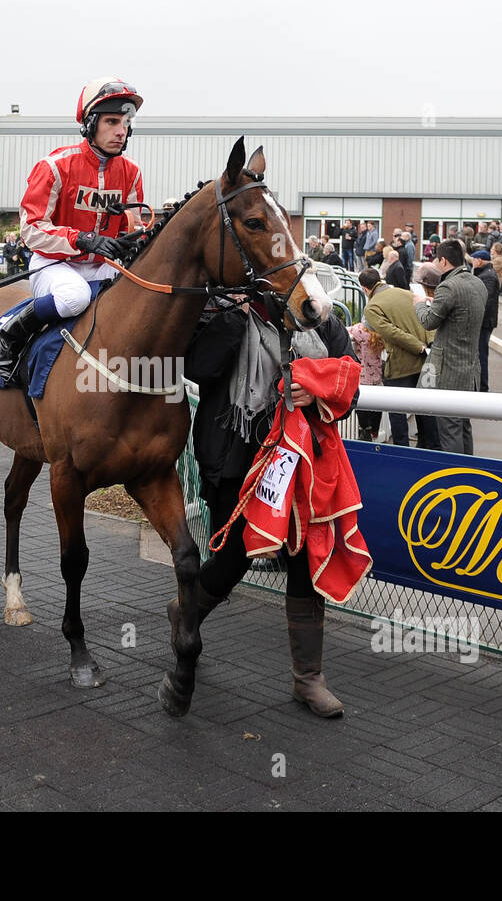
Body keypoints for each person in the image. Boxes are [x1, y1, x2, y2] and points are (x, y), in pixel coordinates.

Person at [182, 295, 358, 717]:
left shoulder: (322, 316)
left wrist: (313, 390)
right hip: (236, 458)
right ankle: (185, 613)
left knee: (305, 560)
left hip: (303, 462)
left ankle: (309, 679)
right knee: (234, 560)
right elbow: (196, 368)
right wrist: (234, 319)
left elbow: (349, 384)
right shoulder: (223, 309)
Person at [0, 77, 146, 383]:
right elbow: (32, 230)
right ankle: (9, 334)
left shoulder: (131, 173)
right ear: (90, 123)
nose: (121, 130)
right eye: (112, 121)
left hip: (103, 268)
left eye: (126, 122)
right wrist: (83, 239)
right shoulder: (54, 167)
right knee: (75, 298)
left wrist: (132, 241)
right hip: (53, 265)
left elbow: (135, 225)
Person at [416, 239, 487, 455]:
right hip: (470, 368)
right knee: (463, 425)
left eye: (436, 260)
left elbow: (428, 321)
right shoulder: (478, 283)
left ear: (443, 260)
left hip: (448, 372)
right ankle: (469, 471)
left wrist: (419, 303)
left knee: (449, 428)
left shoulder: (448, 286)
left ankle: (454, 477)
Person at [360, 267, 438, 450]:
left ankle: (401, 450)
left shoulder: (372, 307)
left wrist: (417, 346)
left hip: (401, 364)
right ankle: (431, 448)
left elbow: (391, 333)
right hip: (426, 361)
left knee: (396, 410)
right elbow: (426, 317)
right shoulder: (405, 293)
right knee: (427, 408)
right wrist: (427, 344)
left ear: (364, 289)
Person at [346, 319, 383, 440]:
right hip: (376, 377)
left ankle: (364, 428)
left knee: (361, 405)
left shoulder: (360, 332)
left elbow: (345, 331)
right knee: (377, 407)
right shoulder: (379, 334)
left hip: (362, 377)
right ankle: (375, 429)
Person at [471, 249, 500, 392]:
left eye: (473, 259)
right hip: (484, 321)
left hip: (484, 322)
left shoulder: (487, 276)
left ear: (480, 260)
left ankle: (482, 386)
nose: (472, 262)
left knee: (481, 353)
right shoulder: (485, 274)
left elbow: (486, 300)